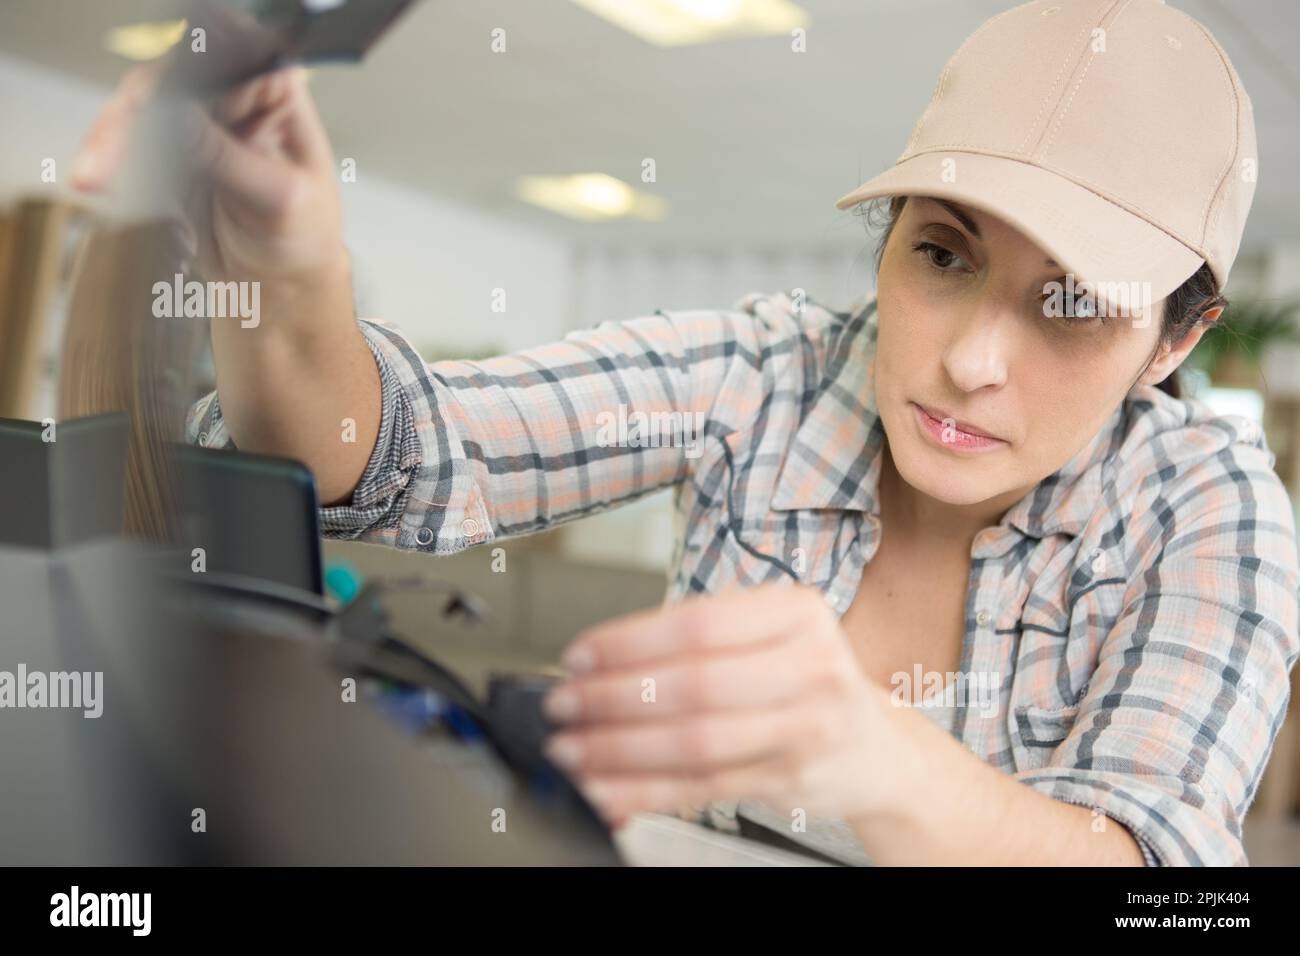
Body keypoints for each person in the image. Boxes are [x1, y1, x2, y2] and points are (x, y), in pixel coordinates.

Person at [73, 0, 1298, 865]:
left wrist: (868, 750)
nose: (972, 360)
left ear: (1175, 342)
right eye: (942, 253)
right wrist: (291, 274)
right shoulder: (767, 369)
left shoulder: (1207, 504)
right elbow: (401, 453)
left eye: (1069, 306)